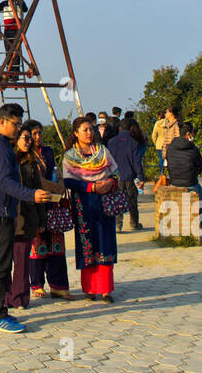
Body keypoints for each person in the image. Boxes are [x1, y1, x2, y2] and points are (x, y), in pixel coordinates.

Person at [0, 103, 53, 331]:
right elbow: (5, 182)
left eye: (20, 124)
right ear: (2, 121)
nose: (18, 129)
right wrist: (32, 195)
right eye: (16, 124)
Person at [62, 117, 121, 300]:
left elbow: (116, 173)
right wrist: (90, 187)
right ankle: (89, 288)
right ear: (76, 133)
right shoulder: (70, 156)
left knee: (105, 241)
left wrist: (109, 182)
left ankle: (105, 289)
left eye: (91, 129)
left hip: (104, 202)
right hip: (83, 204)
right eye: (85, 130)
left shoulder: (103, 151)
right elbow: (68, 180)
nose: (89, 133)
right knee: (87, 243)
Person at [7, 128, 63, 310]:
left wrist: (41, 218)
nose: (29, 140)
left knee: (23, 261)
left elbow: (38, 189)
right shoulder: (7, 162)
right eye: (26, 137)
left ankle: (21, 298)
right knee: (6, 262)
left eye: (31, 138)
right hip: (9, 217)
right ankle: (6, 297)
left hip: (28, 218)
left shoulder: (33, 162)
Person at [24, 120, 78, 299]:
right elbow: (34, 179)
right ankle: (36, 284)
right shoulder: (24, 154)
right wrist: (54, 187)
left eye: (40, 133)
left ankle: (59, 286)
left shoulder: (47, 151)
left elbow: (56, 170)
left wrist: (61, 184)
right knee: (37, 247)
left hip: (53, 205)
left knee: (56, 247)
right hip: (36, 204)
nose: (38, 137)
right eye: (34, 134)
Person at [165, 123, 202, 239]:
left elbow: (168, 163)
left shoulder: (170, 147)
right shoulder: (194, 148)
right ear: (188, 134)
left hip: (174, 181)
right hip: (190, 182)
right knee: (201, 198)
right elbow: (200, 167)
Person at [109, 116, 145, 233]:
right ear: (130, 128)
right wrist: (140, 176)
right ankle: (134, 223)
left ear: (120, 128)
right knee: (132, 201)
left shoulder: (112, 142)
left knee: (118, 201)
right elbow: (136, 161)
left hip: (116, 176)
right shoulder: (134, 142)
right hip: (130, 176)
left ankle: (118, 225)